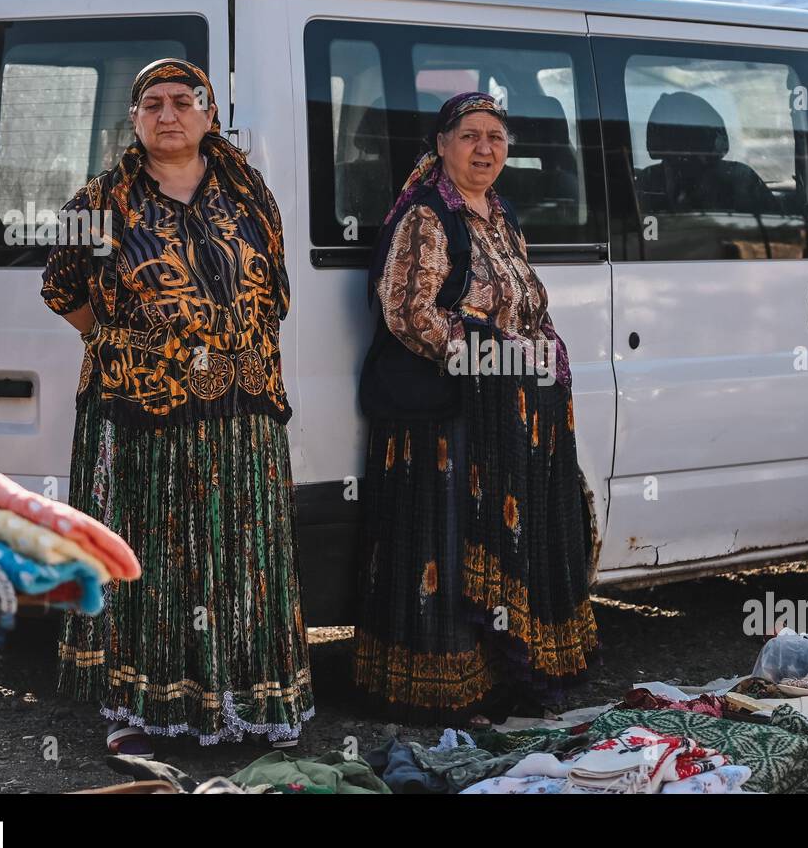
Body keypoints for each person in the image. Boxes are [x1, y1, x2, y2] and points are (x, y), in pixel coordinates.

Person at [41, 58, 313, 755]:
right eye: (152, 103)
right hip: (144, 416)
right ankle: (140, 709)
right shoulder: (99, 201)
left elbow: (275, 294)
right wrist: (119, 342)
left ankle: (254, 703)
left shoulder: (251, 196)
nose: (169, 113)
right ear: (133, 120)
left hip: (244, 408)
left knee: (243, 562)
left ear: (210, 114)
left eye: (184, 100)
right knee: (156, 562)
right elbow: (60, 287)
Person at [353, 91, 599, 725]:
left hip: (503, 415)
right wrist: (497, 359)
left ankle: (505, 677)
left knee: (506, 547)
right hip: (445, 416)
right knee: (452, 548)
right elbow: (410, 313)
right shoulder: (428, 216)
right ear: (442, 144)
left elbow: (526, 305)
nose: (484, 148)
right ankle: (446, 692)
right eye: (469, 136)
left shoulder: (502, 214)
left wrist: (540, 350)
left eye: (496, 137)